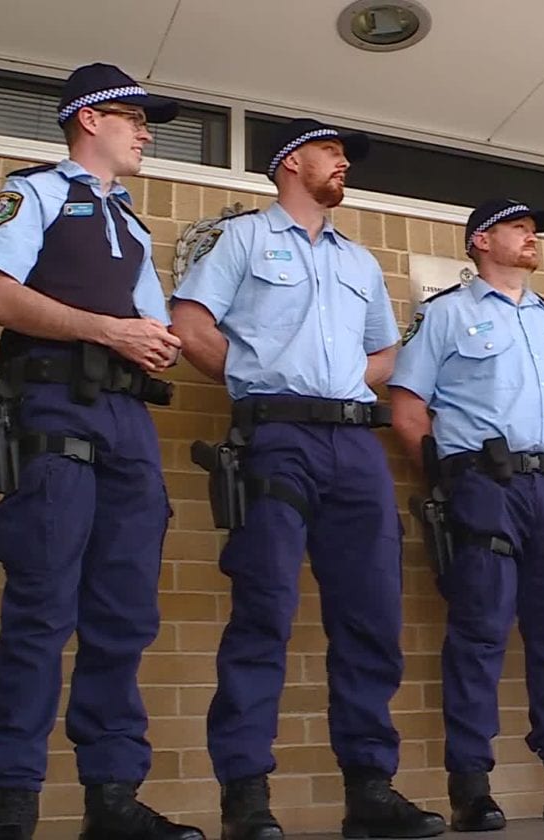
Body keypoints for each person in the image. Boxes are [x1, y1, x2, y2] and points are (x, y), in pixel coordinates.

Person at [170, 118, 445, 840]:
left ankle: (369, 791)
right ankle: (245, 797)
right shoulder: (242, 239)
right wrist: (263, 379)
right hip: (277, 437)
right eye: (332, 152)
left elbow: (387, 352)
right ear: (292, 163)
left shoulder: (358, 262)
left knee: (371, 617)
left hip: (354, 444)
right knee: (264, 610)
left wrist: (338, 381)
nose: (343, 164)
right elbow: (191, 324)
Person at [0, 63, 201, 840]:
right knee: (41, 610)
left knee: (123, 614)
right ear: (90, 119)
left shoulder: (133, 223)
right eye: (135, 118)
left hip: (128, 422)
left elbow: (148, 328)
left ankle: (111, 798)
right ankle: (10, 804)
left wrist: (155, 343)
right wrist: (108, 331)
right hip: (54, 406)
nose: (145, 133)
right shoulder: (31, 193)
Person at [389, 199, 544, 831]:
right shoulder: (445, 314)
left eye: (533, 231)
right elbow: (408, 408)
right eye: (519, 228)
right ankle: (471, 786)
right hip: (482, 485)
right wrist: (446, 487)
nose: (531, 238)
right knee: (479, 632)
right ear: (481, 241)